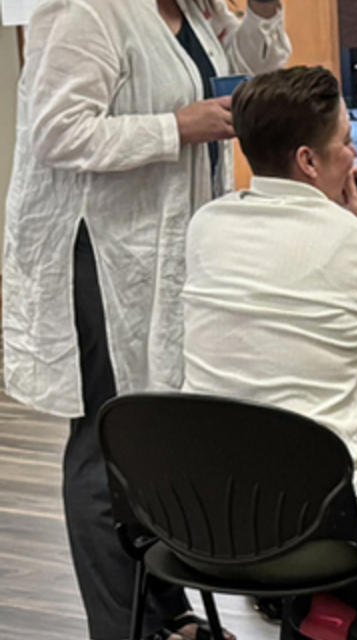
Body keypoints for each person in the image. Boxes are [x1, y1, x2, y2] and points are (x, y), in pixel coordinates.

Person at [3, 1, 289, 638]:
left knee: (155, 436)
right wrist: (176, 127)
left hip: (163, 251)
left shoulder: (192, 9)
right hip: (100, 255)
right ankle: (122, 628)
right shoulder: (86, 12)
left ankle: (164, 609)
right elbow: (57, 132)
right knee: (107, 441)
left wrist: (265, 10)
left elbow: (253, 71)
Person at [180, 65, 357, 632]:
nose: (355, 153)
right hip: (309, 518)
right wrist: (355, 228)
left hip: (195, 515)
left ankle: (326, 613)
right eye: (346, 139)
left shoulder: (205, 226)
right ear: (308, 161)